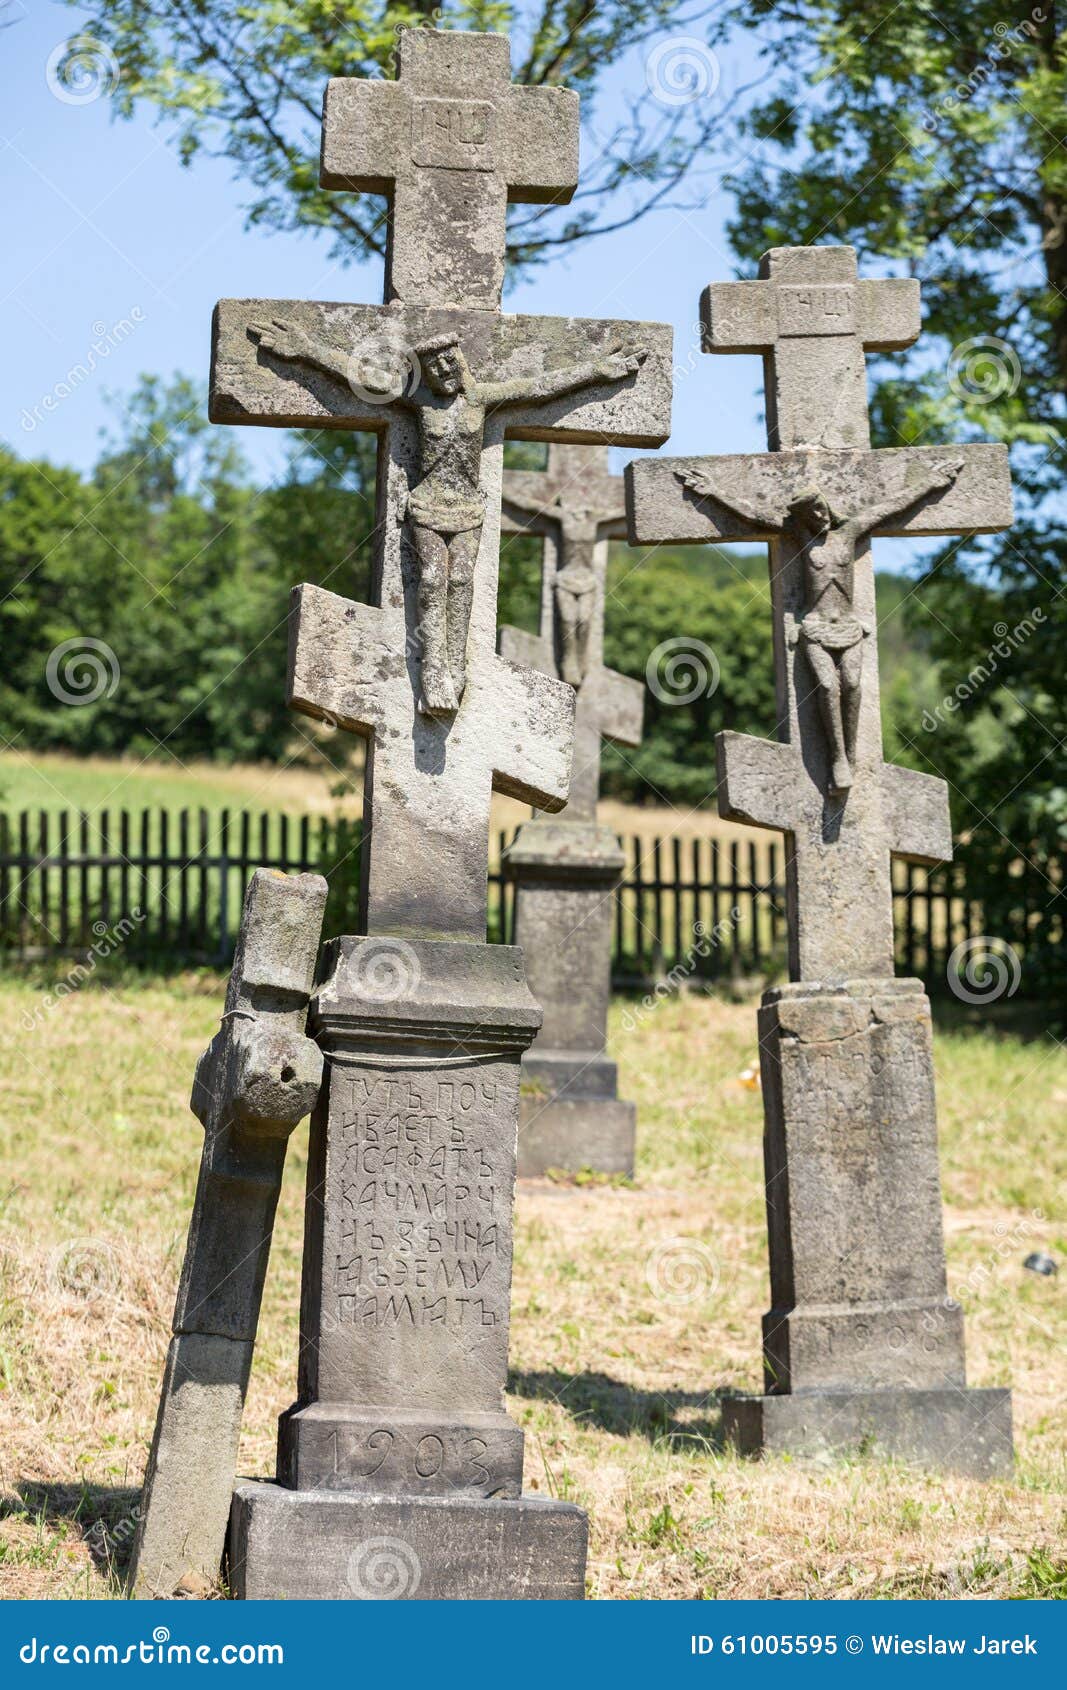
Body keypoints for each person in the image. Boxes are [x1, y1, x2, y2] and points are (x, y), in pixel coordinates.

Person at [250, 319, 646, 715]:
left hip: (468, 511)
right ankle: (434, 668)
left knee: (460, 582)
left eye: (448, 362)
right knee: (431, 579)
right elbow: (364, 379)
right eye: (434, 367)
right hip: (426, 508)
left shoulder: (482, 399)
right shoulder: (419, 402)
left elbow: (539, 388)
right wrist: (306, 349)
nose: (443, 372)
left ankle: (457, 670)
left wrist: (596, 370)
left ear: (460, 361)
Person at [677, 456, 965, 792]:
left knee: (853, 686)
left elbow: (890, 507)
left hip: (849, 629)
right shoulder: (799, 537)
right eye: (813, 513)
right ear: (803, 517)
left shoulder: (850, 532)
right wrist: (713, 492)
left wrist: (930, 483)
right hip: (814, 629)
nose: (821, 516)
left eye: (822, 509)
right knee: (827, 687)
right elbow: (754, 515)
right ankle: (837, 759)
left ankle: (851, 754)